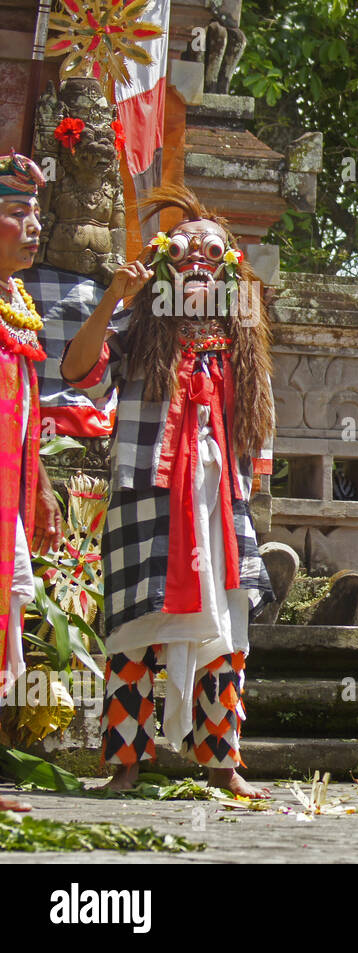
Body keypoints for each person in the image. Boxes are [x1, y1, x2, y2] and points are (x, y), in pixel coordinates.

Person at [61, 185, 274, 799]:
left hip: (219, 501)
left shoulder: (242, 342)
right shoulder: (136, 325)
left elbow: (257, 430)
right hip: (146, 496)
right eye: (183, 256)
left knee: (226, 629)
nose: (198, 265)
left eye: (212, 257)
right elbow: (78, 372)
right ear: (161, 271)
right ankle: (124, 763)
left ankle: (222, 764)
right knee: (133, 626)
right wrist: (111, 298)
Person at [0, 152, 64, 813]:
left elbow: (22, 409)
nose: (34, 225)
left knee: (8, 623)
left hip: (9, 497)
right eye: (19, 213)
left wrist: (40, 485)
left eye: (37, 212)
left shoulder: (16, 300)